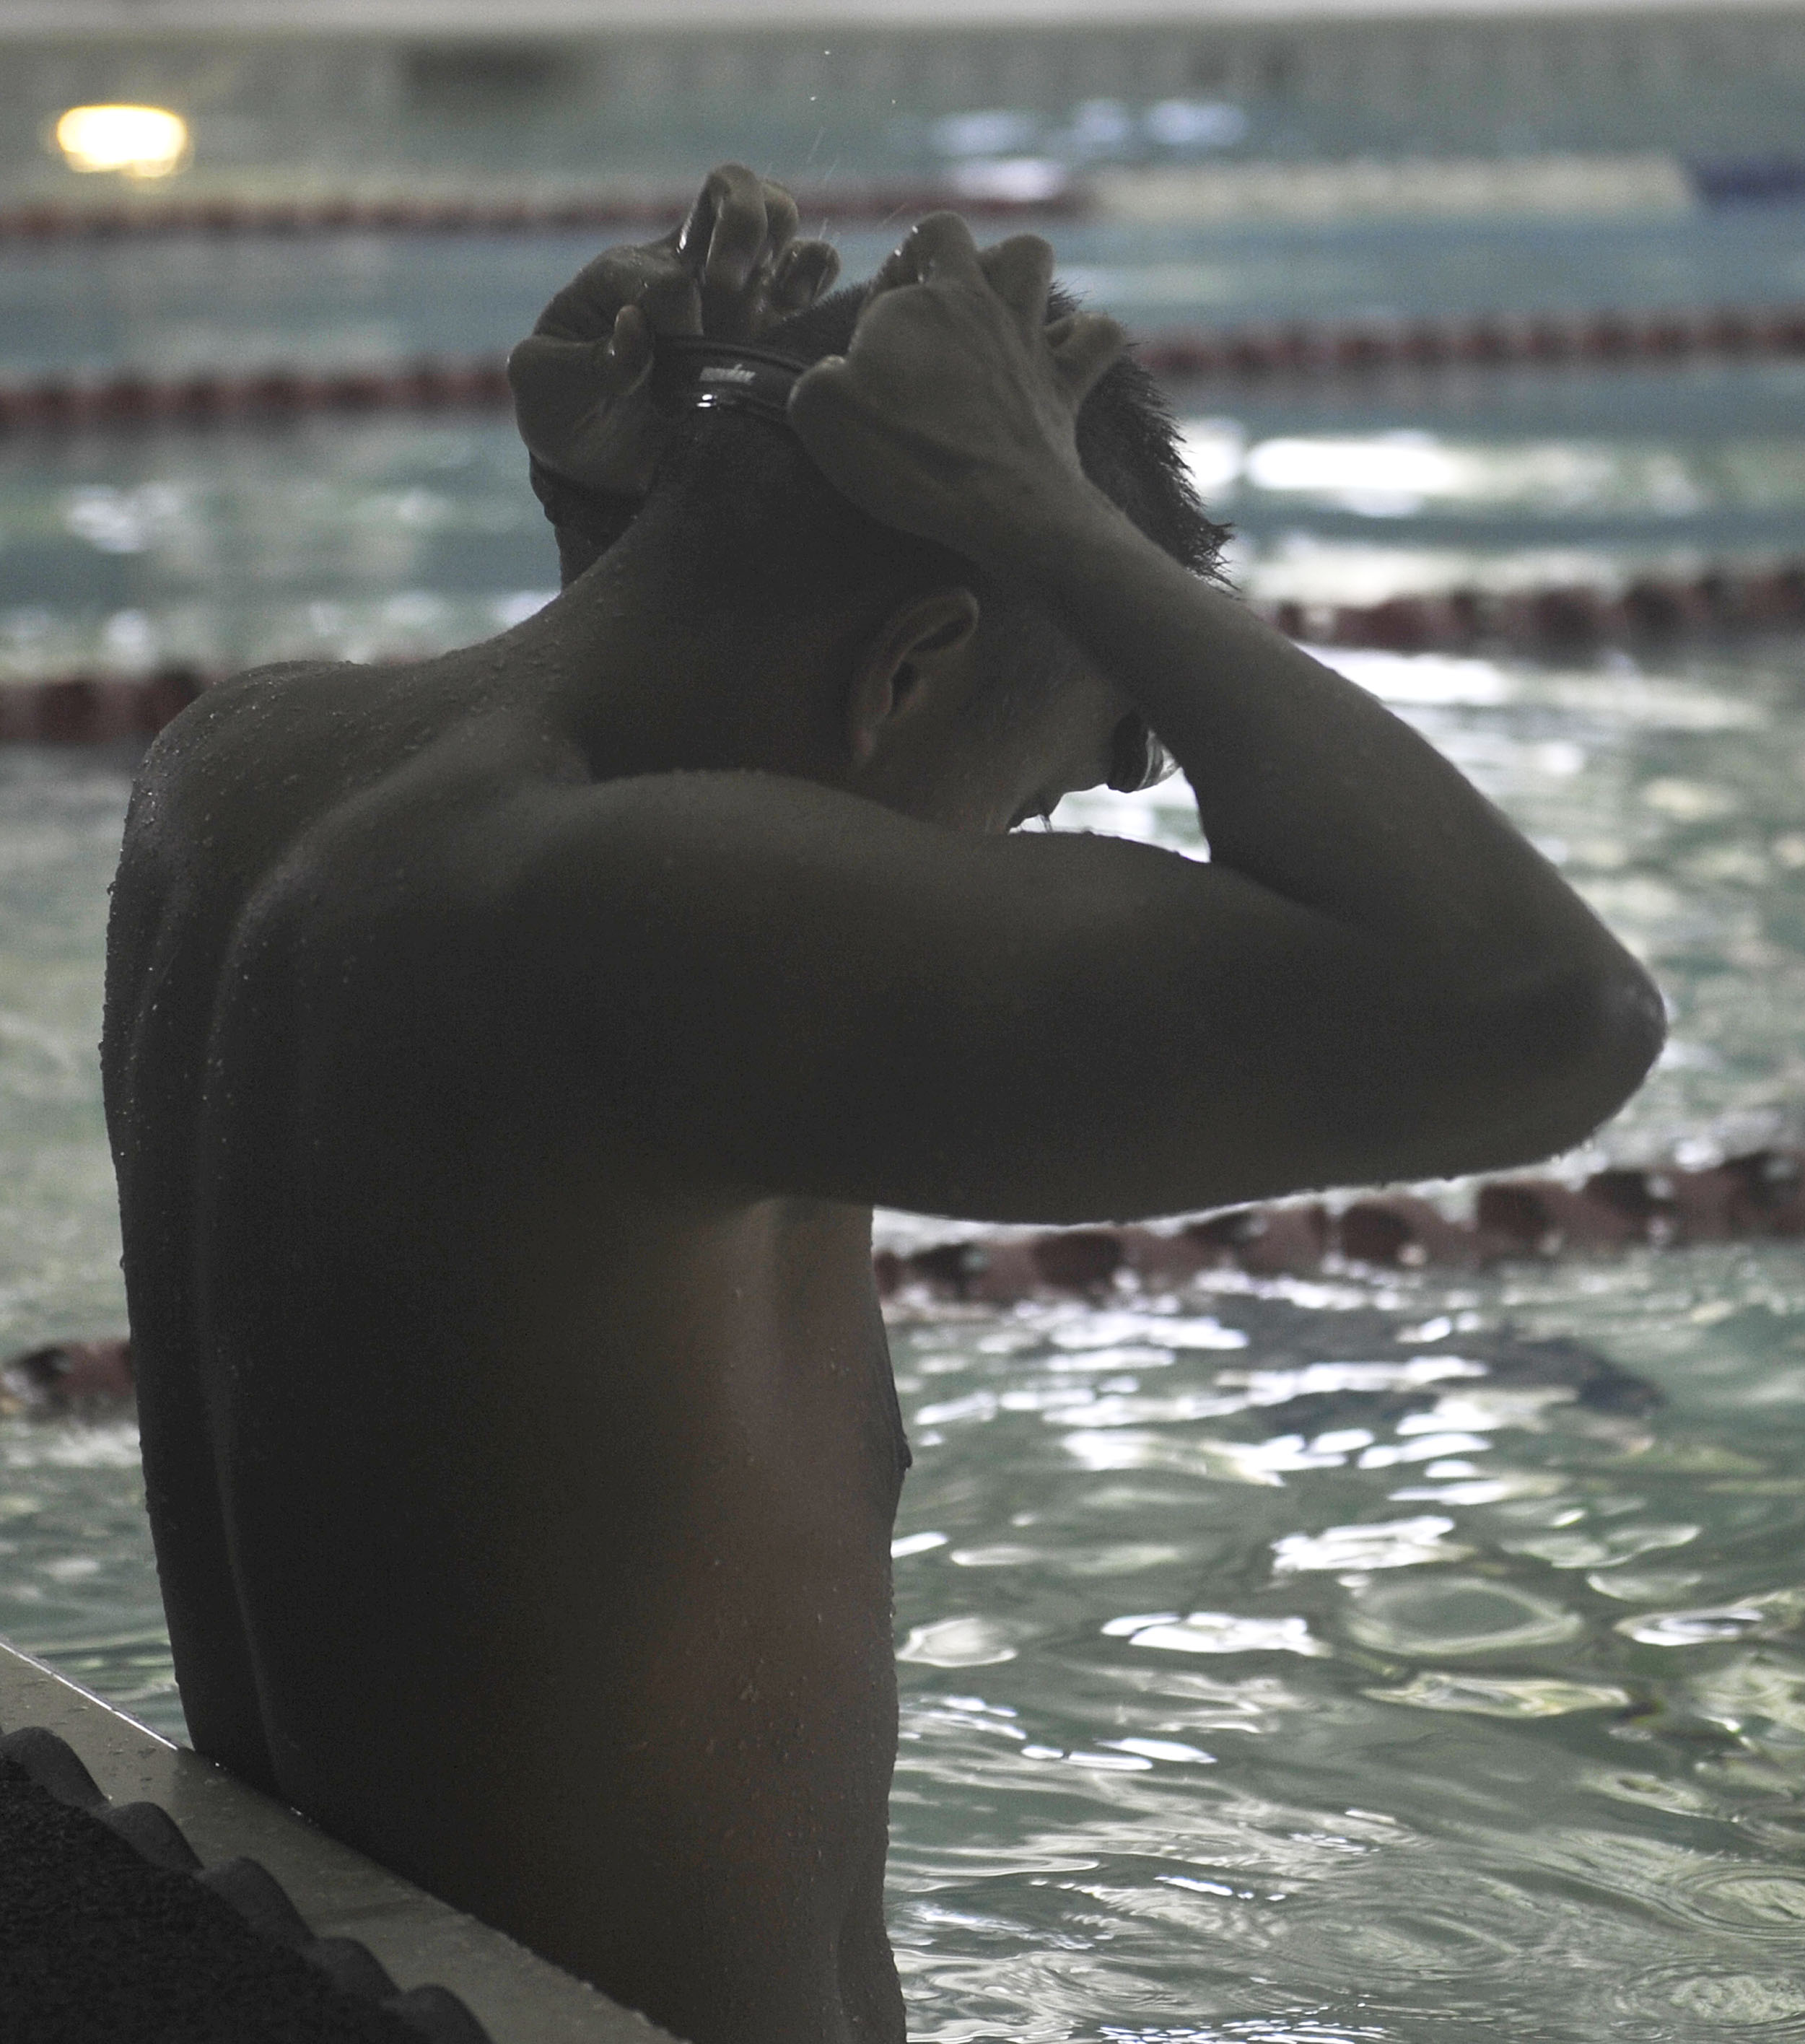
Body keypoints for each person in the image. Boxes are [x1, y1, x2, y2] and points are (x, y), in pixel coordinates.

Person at [101, 165, 1663, 2044]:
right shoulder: (631, 927)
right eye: (1032, 811)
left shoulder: (237, 782)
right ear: (911, 665)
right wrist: (1050, 520)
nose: (999, 866)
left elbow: (636, 783)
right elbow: (1544, 1016)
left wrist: (637, 545)